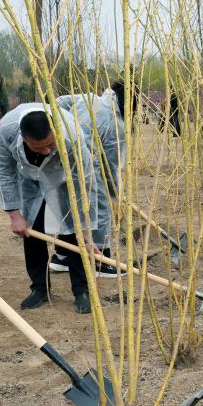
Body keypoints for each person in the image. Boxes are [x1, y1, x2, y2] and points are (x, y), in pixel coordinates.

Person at [0, 103, 97, 313]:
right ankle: (40, 288)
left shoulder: (71, 135)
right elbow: (3, 171)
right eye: (39, 147)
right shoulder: (6, 131)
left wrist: (85, 232)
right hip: (28, 179)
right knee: (32, 232)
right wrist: (14, 214)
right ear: (24, 138)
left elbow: (84, 182)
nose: (47, 150)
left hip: (65, 178)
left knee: (73, 233)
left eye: (51, 144)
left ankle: (81, 289)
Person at [56, 80, 134, 277]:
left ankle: (62, 256)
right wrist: (114, 195)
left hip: (61, 159)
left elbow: (58, 102)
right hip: (88, 168)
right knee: (100, 209)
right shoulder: (115, 124)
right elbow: (111, 166)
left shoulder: (89, 99)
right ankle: (102, 261)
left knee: (67, 207)